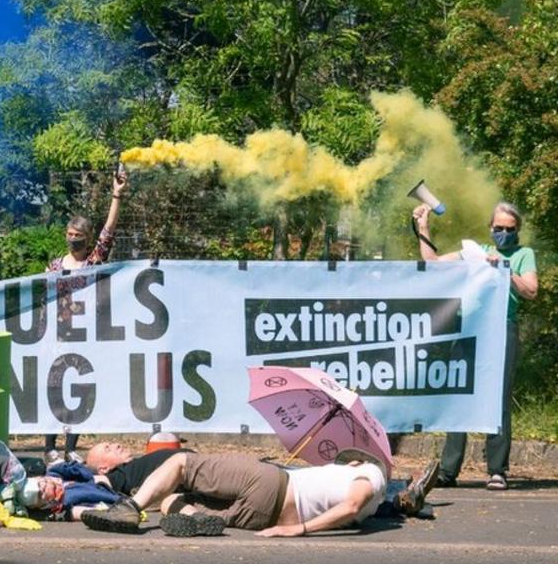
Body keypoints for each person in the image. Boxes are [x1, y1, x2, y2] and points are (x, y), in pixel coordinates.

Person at [413, 201, 540, 490]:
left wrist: (504, 267)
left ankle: (497, 470)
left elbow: (531, 290)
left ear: (517, 230)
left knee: (497, 398)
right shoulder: (475, 252)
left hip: (501, 328)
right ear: (489, 228)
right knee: (460, 394)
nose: (503, 233)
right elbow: (432, 265)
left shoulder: (523, 254)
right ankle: (448, 470)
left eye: (509, 229)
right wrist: (424, 227)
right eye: (498, 228)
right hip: (469, 328)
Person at [81, 449, 386, 537]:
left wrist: (298, 530)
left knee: (181, 463)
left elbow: (351, 503)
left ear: (360, 462)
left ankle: (130, 507)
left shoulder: (370, 473)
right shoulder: (371, 512)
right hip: (263, 518)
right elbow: (351, 511)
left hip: (270, 483)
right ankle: (197, 519)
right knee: (171, 500)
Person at [43, 167, 128, 465]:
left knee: (78, 386)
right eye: (69, 234)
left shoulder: (94, 261)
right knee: (55, 385)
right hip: (58, 334)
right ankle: (49, 445)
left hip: (85, 334)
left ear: (88, 238)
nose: (73, 239)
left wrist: (116, 194)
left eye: (78, 235)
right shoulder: (54, 266)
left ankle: (70, 447)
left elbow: (109, 231)